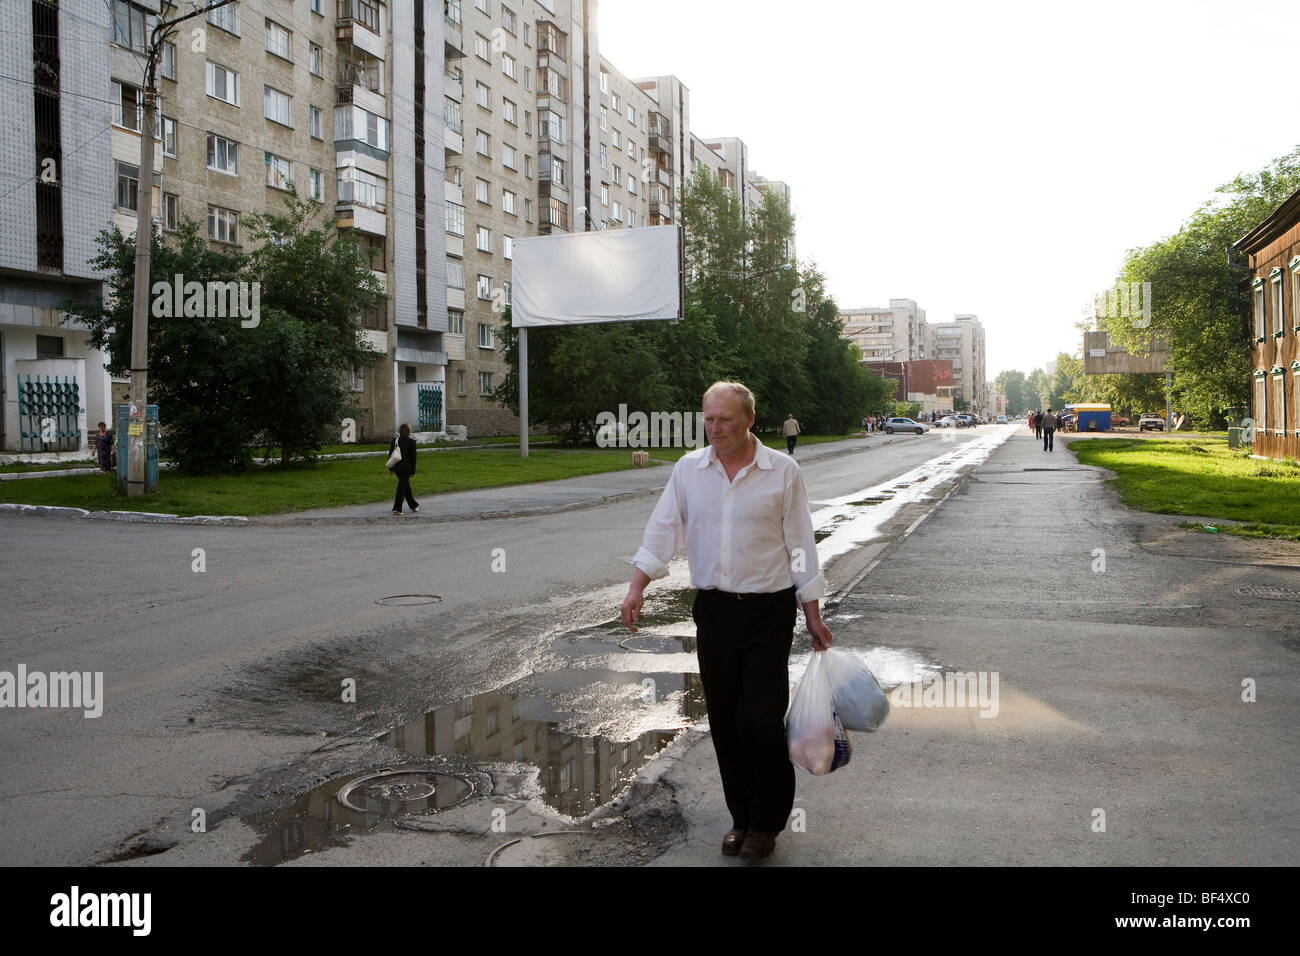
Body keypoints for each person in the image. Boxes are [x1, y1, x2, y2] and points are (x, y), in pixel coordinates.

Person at [621, 381, 832, 862]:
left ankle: (767, 822)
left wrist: (812, 614)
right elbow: (662, 531)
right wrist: (637, 586)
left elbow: (801, 544)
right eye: (709, 419)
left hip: (768, 611)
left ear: (750, 421)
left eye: (726, 419)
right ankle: (741, 817)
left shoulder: (782, 471)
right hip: (714, 610)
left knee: (759, 719)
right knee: (725, 721)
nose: (715, 428)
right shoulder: (689, 470)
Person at [388, 423, 420, 515]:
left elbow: (391, 455)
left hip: (397, 468)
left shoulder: (395, 440)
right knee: (401, 489)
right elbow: (413, 459)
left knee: (406, 487)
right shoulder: (412, 442)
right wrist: (413, 471)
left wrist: (391, 468)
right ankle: (397, 509)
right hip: (406, 469)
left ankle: (413, 505)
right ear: (409, 431)